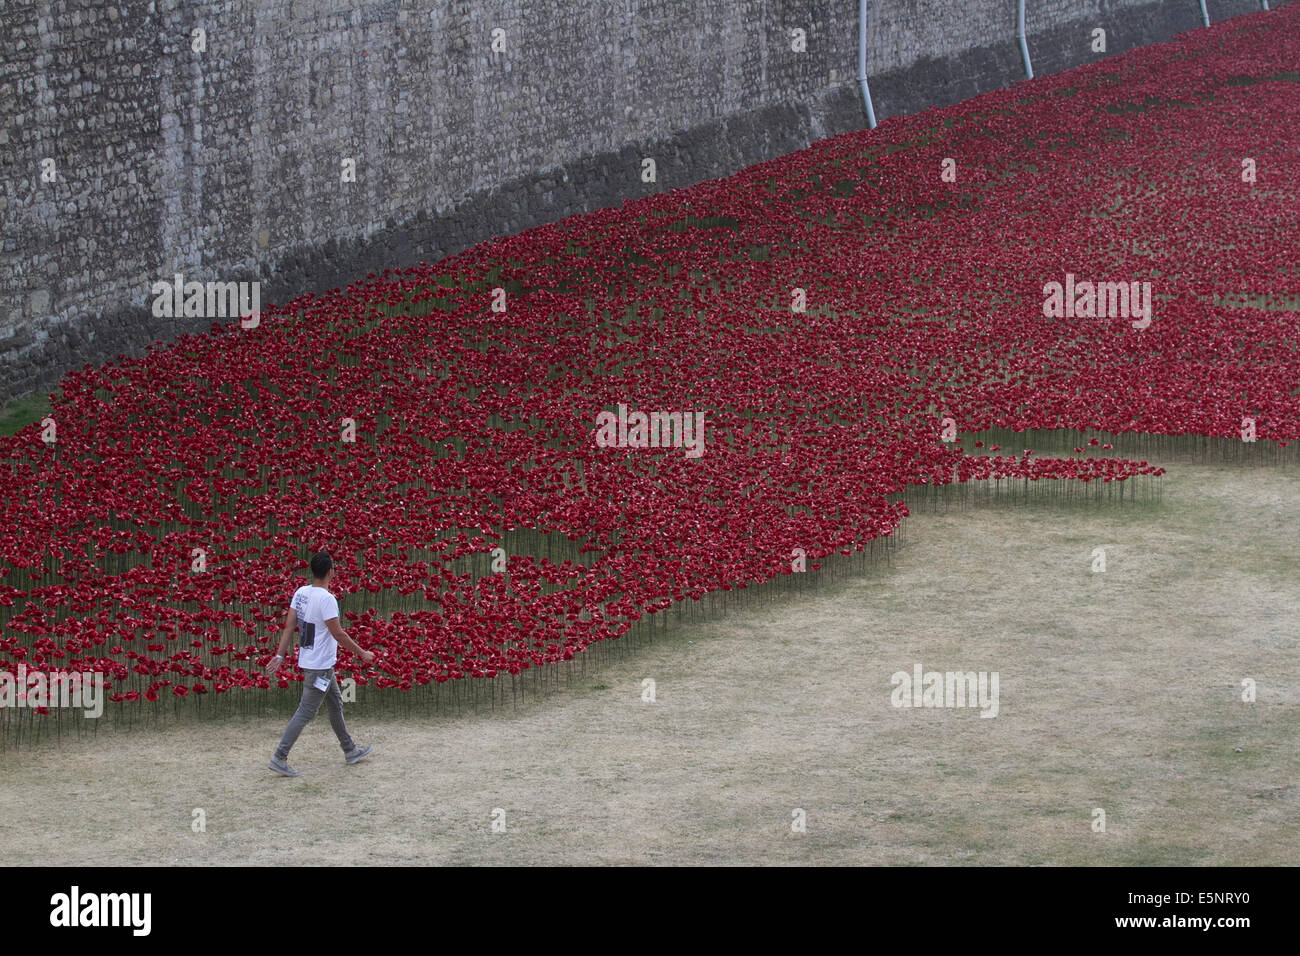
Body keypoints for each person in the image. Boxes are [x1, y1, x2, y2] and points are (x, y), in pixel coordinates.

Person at [266, 551, 375, 776]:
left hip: (316, 663)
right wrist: (362, 653)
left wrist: (279, 655)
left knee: (335, 703)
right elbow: (339, 634)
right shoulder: (327, 599)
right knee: (306, 711)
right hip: (320, 667)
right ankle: (280, 756)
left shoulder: (301, 593)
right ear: (330, 572)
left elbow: (289, 626)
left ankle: (350, 749)